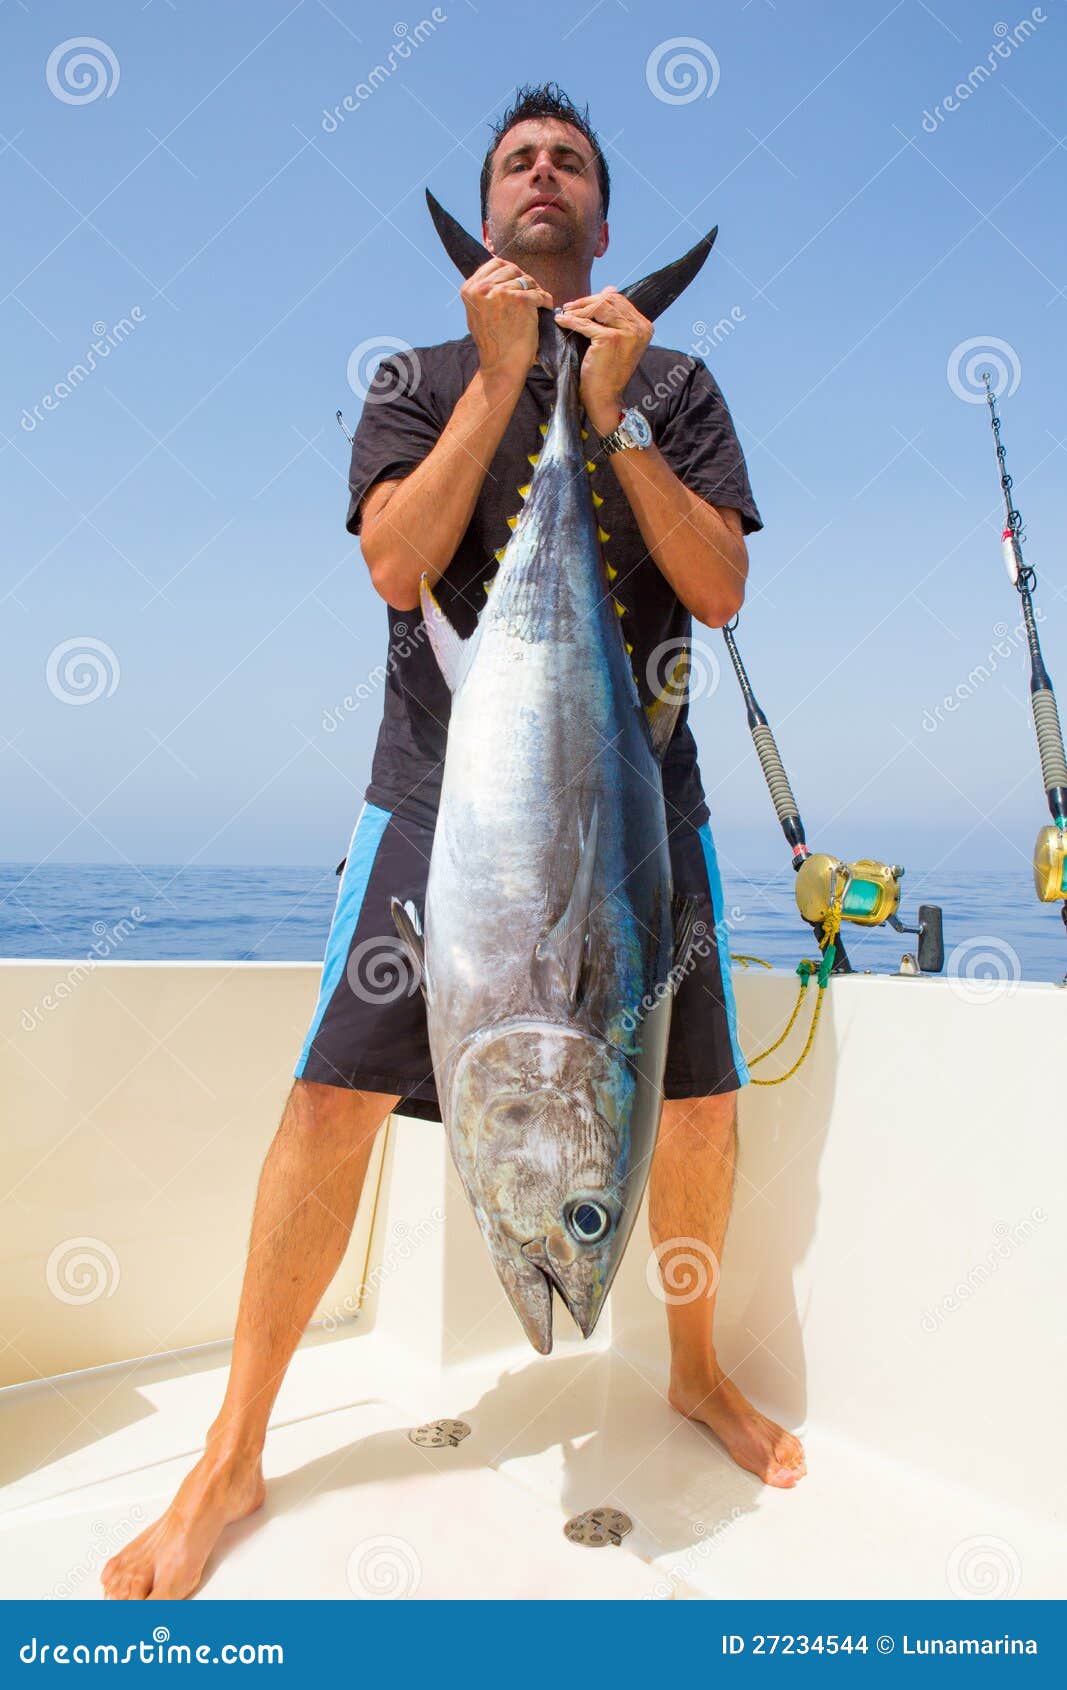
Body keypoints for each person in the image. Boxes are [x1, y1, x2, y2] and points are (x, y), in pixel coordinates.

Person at [102, 81, 805, 1604]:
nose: (543, 178)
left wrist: (608, 418)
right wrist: (499, 382)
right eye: (519, 164)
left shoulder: (675, 381)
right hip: (444, 801)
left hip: (644, 802)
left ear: (601, 222)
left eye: (570, 165)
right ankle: (232, 1449)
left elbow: (720, 587)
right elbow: (395, 562)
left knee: (694, 1103)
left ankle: (691, 1368)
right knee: (332, 1099)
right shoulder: (416, 377)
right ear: (489, 216)